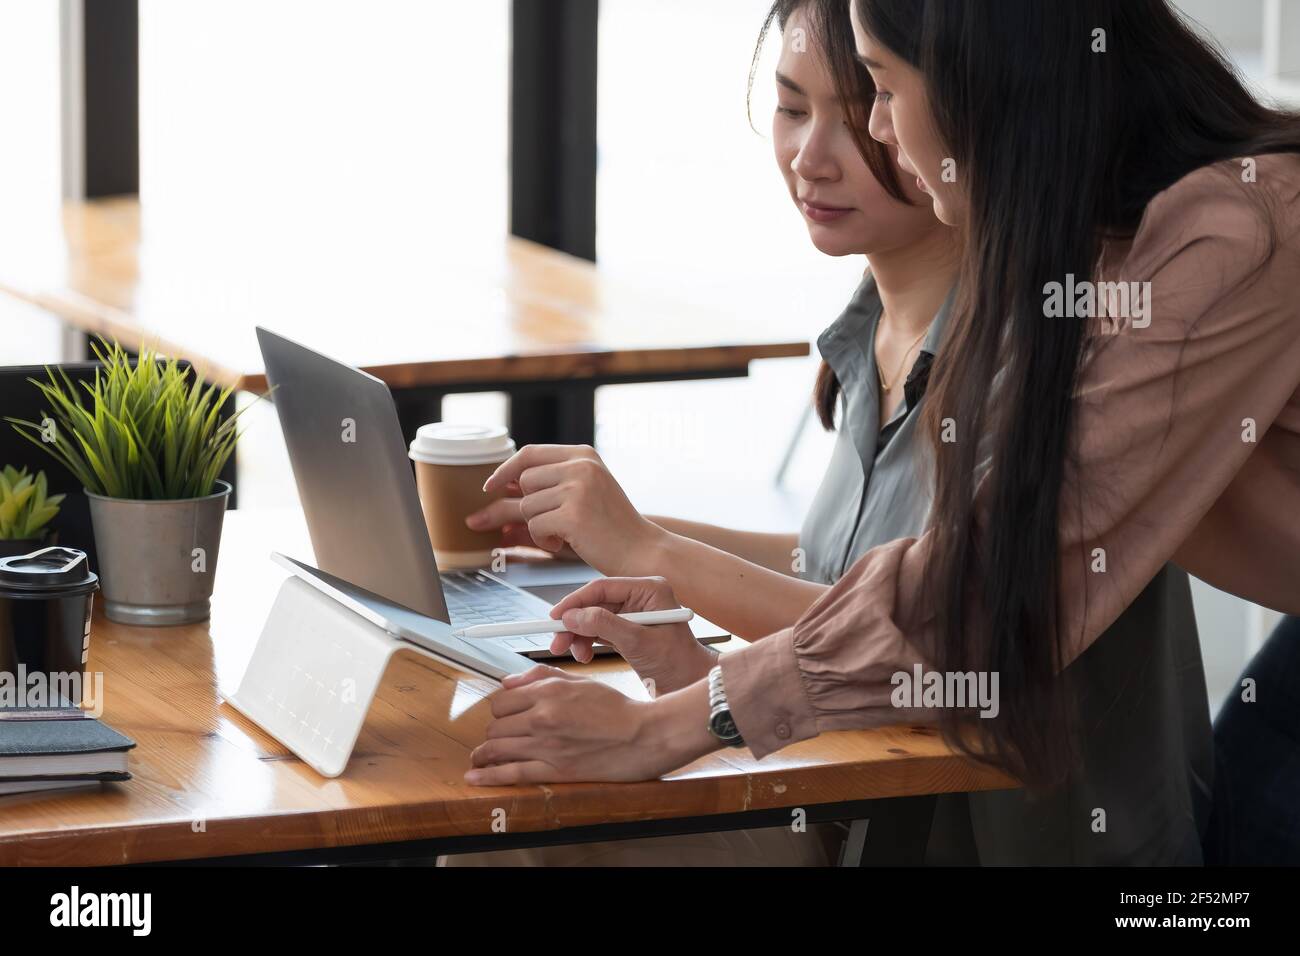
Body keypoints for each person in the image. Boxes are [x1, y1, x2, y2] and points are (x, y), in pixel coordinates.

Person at [464, 0, 1300, 866]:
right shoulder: (1091, 260)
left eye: (884, 88)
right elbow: (908, 573)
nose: (873, 127)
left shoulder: (1235, 231)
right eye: (793, 107)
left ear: (982, 83)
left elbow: (985, 593)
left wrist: (666, 720)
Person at [440, 0, 958, 866]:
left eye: (863, 109)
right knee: (474, 762)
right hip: (833, 778)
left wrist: (651, 547)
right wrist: (620, 537)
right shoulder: (870, 328)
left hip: (916, 824)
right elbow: (833, 562)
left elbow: (917, 638)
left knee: (507, 825)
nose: (810, 157)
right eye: (791, 109)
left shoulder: (1017, 354)